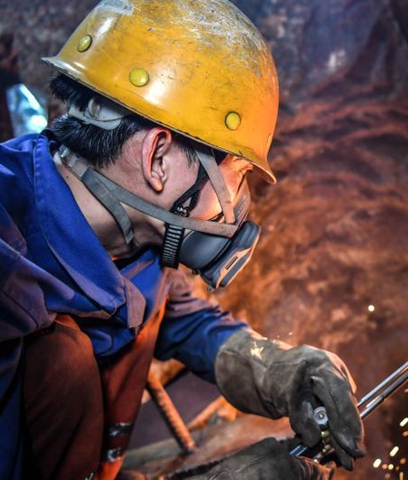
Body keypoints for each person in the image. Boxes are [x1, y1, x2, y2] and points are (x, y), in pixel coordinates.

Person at [0, 0, 365, 479]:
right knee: (61, 357)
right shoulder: (9, 274)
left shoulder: (121, 226)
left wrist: (274, 368)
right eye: (235, 172)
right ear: (157, 159)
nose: (238, 202)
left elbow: (166, 309)